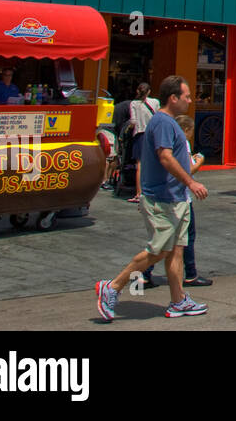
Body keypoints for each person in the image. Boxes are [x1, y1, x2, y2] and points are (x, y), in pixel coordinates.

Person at [94, 75, 210, 320]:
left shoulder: (168, 123)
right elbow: (165, 157)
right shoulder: (163, 123)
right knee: (158, 251)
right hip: (162, 199)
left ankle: (178, 301)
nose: (190, 100)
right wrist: (190, 181)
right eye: (187, 96)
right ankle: (112, 287)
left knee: (176, 250)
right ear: (173, 98)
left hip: (176, 198)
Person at [174, 115, 212, 287]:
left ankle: (145, 274)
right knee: (188, 237)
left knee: (166, 238)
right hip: (180, 197)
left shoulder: (167, 144)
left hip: (168, 196)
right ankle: (190, 274)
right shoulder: (183, 144)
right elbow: (188, 170)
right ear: (186, 130)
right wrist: (200, 161)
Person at [127, 83, 157, 204]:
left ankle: (139, 193)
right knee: (154, 162)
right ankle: (153, 190)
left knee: (140, 165)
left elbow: (133, 121)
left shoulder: (134, 104)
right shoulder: (155, 102)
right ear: (149, 91)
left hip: (140, 134)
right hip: (153, 135)